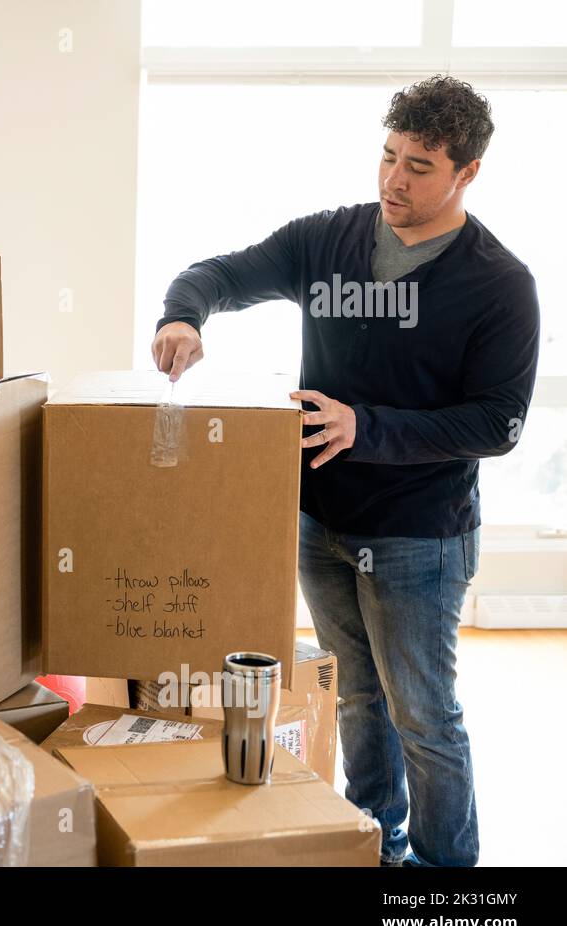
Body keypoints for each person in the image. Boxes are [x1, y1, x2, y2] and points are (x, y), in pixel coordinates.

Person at [150, 75, 540, 866]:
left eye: (421, 166)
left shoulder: (499, 284)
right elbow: (217, 273)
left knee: (424, 717)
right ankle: (377, 847)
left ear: (467, 173)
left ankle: (443, 880)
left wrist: (367, 427)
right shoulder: (328, 239)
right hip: (318, 523)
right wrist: (183, 314)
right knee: (361, 701)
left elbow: (497, 423)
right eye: (389, 156)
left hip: (418, 539)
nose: (395, 180)